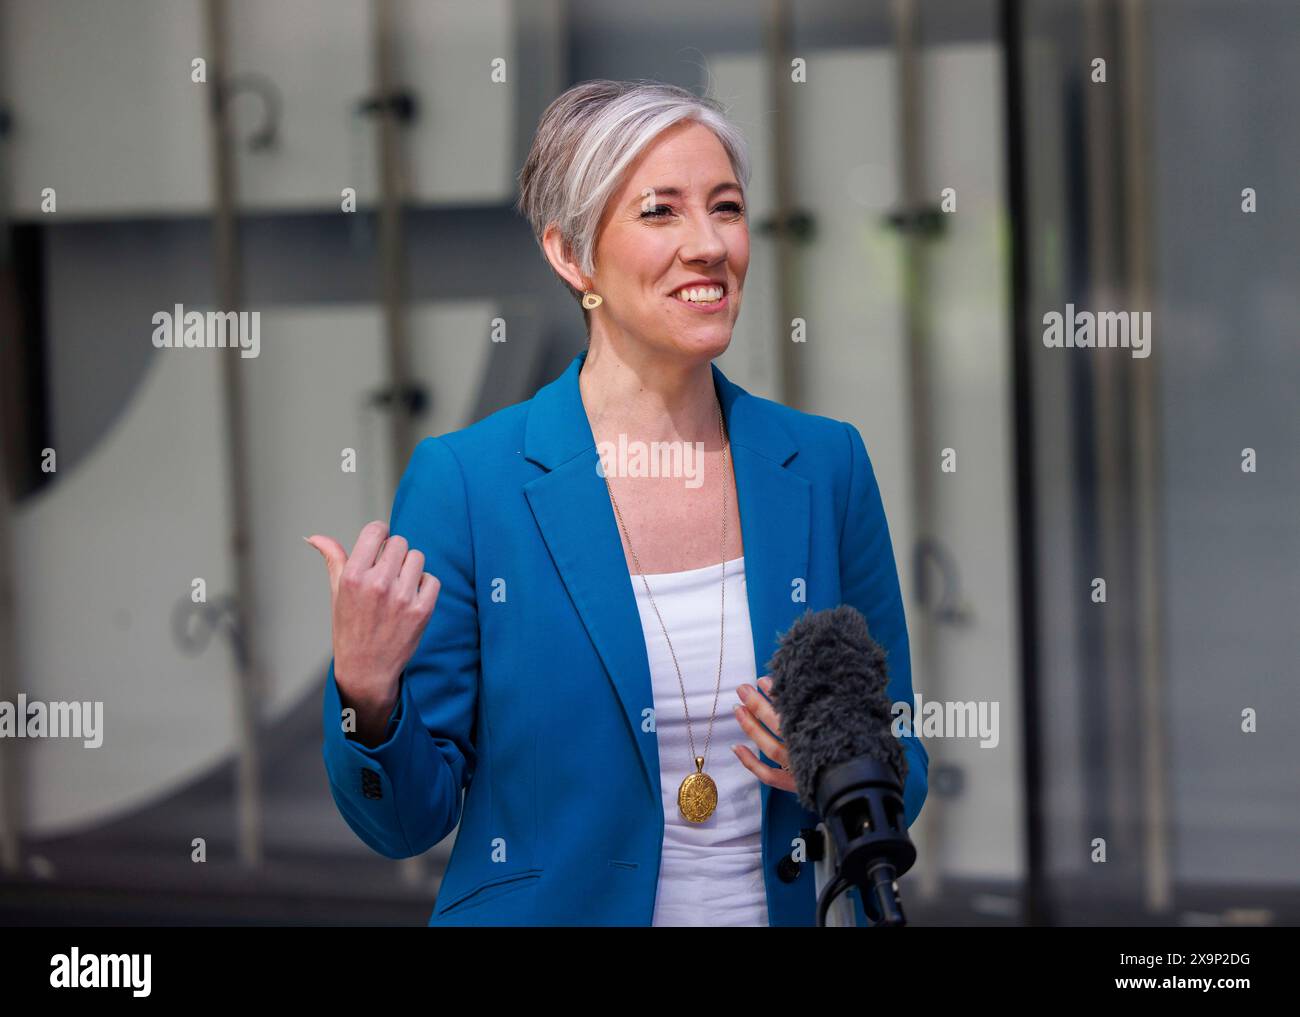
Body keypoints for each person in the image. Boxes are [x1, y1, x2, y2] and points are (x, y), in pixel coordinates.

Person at [307, 79, 927, 926]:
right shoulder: (468, 483)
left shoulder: (825, 465)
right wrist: (367, 695)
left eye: (727, 208)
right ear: (573, 256)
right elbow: (406, 820)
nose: (709, 244)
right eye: (661, 213)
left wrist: (841, 763)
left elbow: (905, 752)